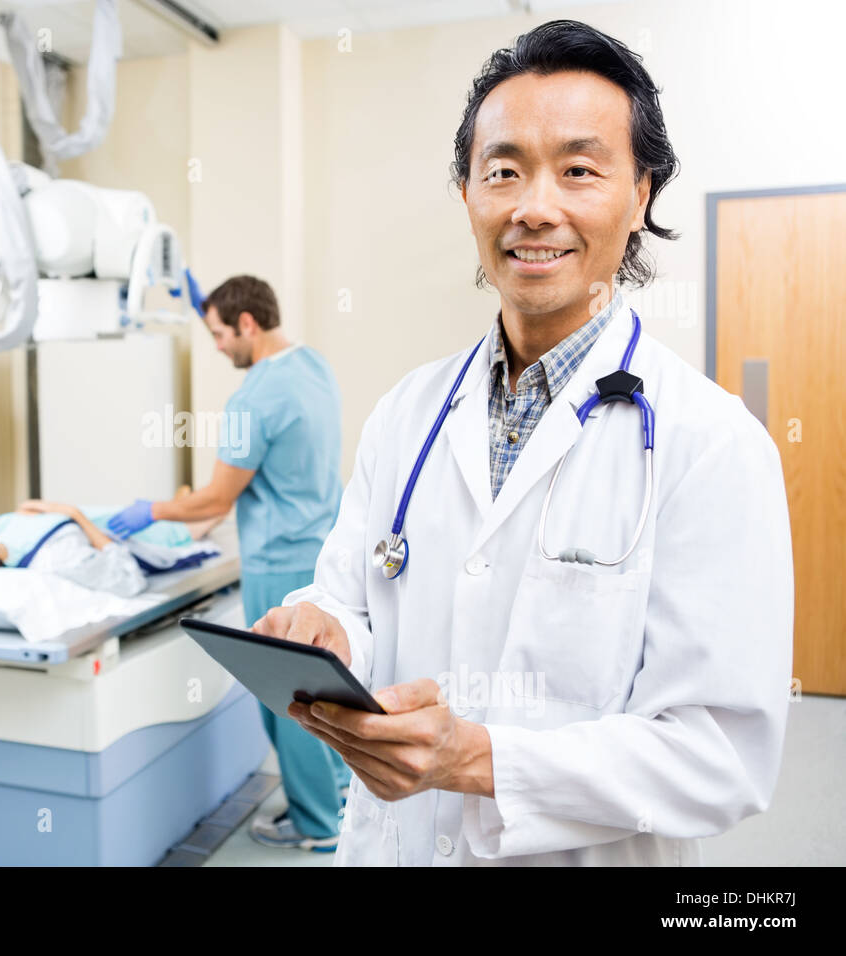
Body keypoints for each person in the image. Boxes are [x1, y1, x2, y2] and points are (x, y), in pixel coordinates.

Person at [252, 19, 793, 866]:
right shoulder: (407, 412)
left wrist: (475, 760)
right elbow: (350, 593)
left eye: (579, 169)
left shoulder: (712, 444)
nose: (533, 206)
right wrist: (325, 633)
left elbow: (720, 756)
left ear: (642, 193)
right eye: (501, 170)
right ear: (467, 194)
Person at [108, 275, 350, 851]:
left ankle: (318, 825)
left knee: (287, 701)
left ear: (246, 324)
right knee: (324, 687)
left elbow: (216, 498)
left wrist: (154, 511)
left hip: (276, 563)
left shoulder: (252, 399)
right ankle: (337, 796)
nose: (214, 346)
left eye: (218, 333)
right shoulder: (311, 365)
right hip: (321, 554)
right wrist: (207, 304)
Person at [0, 497, 221, 597]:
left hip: (97, 520)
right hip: (131, 540)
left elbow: (2, 524)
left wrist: (26, 512)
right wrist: (75, 516)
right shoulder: (56, 561)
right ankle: (200, 515)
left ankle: (186, 501)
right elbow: (127, 577)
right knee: (186, 528)